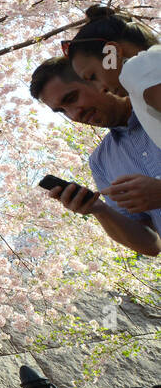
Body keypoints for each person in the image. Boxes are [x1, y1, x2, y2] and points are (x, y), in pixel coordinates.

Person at [30, 55, 161, 255]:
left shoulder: (156, 105)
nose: (74, 115)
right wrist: (100, 210)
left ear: (93, 77)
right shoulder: (101, 161)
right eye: (62, 111)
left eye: (72, 98)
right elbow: (151, 245)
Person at [66, 5, 161, 151]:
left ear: (112, 52)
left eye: (93, 76)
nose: (101, 88)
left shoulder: (136, 68)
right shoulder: (151, 63)